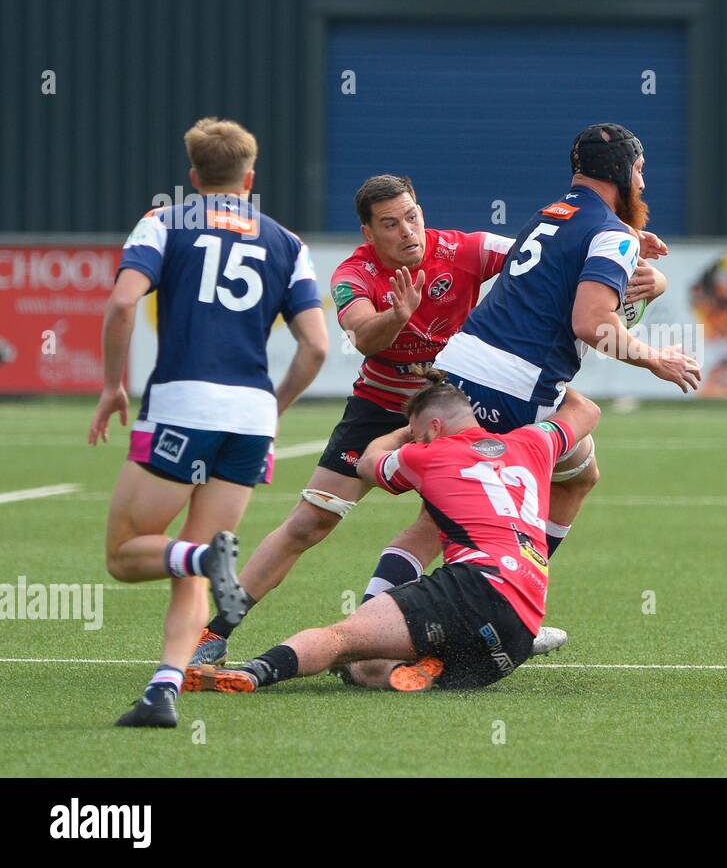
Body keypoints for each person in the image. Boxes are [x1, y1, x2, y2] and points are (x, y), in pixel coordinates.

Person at [190, 174, 518, 667]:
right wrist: (398, 314)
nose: (408, 231)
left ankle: (392, 634)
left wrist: (627, 256)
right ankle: (214, 631)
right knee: (309, 522)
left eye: (412, 216)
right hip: (379, 408)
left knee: (447, 522)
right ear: (369, 233)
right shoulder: (353, 275)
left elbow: (542, 254)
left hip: (449, 410)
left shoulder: (464, 248)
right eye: (390, 224)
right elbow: (366, 337)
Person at [89, 117, 328, 726]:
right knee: (191, 551)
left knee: (126, 555)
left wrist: (114, 385)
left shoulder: (165, 221)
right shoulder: (286, 242)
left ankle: (202, 563)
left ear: (193, 177)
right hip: (249, 417)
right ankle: (163, 689)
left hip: (182, 406)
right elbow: (316, 349)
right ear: (250, 178)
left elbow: (121, 303)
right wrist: (270, 409)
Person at [183, 371, 601, 695]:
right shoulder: (534, 442)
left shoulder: (428, 454)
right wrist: (550, 381)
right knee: (366, 668)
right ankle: (425, 665)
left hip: (476, 588)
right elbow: (587, 412)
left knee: (342, 639)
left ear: (433, 428)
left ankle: (253, 672)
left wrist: (408, 433)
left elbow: (368, 461)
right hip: (516, 632)